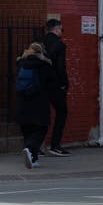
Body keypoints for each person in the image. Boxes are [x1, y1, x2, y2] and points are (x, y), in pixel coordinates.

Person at [15, 42, 55, 169]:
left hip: (23, 102)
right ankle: (30, 149)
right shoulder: (43, 65)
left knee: (27, 129)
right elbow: (51, 82)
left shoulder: (21, 63)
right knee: (41, 128)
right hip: (39, 102)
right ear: (41, 52)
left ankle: (33, 158)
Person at [43, 18, 71, 156]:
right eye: (61, 29)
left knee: (42, 114)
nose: (61, 31)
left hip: (41, 84)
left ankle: (36, 146)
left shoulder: (39, 42)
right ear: (56, 29)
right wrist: (64, 84)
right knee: (62, 112)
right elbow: (60, 67)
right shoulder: (59, 45)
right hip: (54, 84)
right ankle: (55, 145)